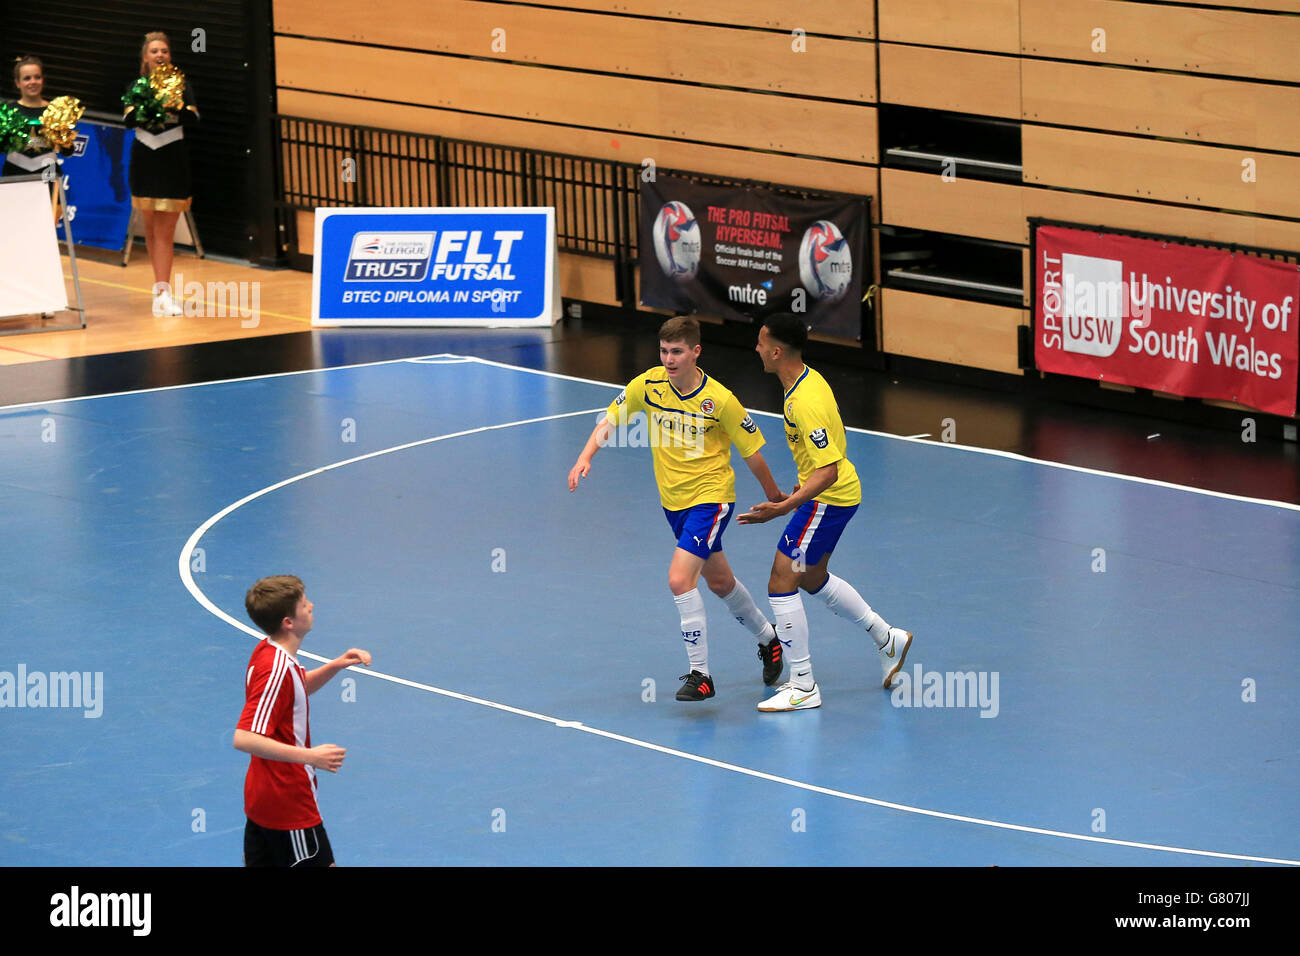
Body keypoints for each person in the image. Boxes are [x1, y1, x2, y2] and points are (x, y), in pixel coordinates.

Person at [568, 315, 788, 700]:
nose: (669, 359)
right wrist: (586, 456)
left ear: (695, 352)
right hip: (674, 503)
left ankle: (700, 675)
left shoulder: (720, 400)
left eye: (677, 352)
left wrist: (774, 495)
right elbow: (612, 418)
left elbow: (752, 453)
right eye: (664, 351)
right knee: (719, 582)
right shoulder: (649, 384)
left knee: (679, 579)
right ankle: (770, 640)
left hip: (711, 498)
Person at [738, 313, 912, 711]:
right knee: (811, 575)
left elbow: (829, 470)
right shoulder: (802, 383)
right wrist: (798, 489)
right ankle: (888, 638)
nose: (757, 349)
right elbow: (825, 454)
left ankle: (802, 685)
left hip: (829, 499)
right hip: (829, 494)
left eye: (761, 343)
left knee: (782, 579)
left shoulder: (806, 400)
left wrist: (785, 506)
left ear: (777, 351)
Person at [234, 574, 371, 867]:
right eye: (304, 604)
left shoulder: (269, 651)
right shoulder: (276, 669)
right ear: (288, 622)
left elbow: (292, 691)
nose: (311, 605)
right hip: (287, 803)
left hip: (263, 797)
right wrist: (310, 756)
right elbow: (245, 737)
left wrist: (335, 665)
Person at [122, 31, 198, 316]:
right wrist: (147, 105)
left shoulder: (183, 86)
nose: (160, 55)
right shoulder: (135, 86)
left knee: (165, 230)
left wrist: (173, 102)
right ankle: (160, 291)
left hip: (172, 158)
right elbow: (128, 119)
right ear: (145, 57)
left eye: (164, 51)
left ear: (170, 56)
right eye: (154, 51)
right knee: (152, 228)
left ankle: (163, 292)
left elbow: (194, 118)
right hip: (144, 158)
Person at [3, 56, 74, 181]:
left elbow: (68, 151)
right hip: (14, 174)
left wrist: (63, 138)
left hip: (48, 175)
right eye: (27, 78)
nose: (33, 82)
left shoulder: (56, 111)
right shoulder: (8, 111)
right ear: (17, 83)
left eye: (37, 77)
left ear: (43, 80)